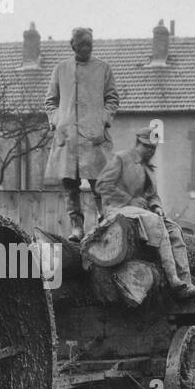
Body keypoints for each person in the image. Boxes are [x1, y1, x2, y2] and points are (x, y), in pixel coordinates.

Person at [96, 127, 195, 300]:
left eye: (153, 148)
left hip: (141, 212)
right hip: (117, 209)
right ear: (138, 143)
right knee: (157, 223)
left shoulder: (148, 169)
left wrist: (157, 206)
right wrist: (129, 199)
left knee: (174, 230)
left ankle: (186, 284)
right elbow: (102, 185)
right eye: (147, 147)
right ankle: (173, 279)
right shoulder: (121, 158)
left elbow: (152, 195)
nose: (151, 151)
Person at [44, 27, 118, 242]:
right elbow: (50, 101)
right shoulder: (61, 69)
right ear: (73, 45)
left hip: (94, 137)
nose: (86, 49)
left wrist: (103, 120)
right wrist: (57, 120)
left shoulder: (103, 69)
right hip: (67, 138)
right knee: (70, 186)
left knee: (100, 184)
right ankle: (77, 227)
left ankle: (106, 224)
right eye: (82, 45)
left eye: (89, 45)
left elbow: (112, 98)